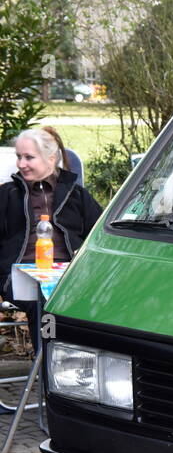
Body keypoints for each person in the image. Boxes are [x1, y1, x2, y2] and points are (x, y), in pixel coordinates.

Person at [0, 127, 103, 347]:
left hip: (68, 273)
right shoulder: (7, 195)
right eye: (19, 157)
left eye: (29, 157)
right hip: (22, 274)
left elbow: (100, 233)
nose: (21, 164)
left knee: (94, 298)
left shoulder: (76, 195)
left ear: (51, 158)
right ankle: (49, 370)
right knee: (46, 300)